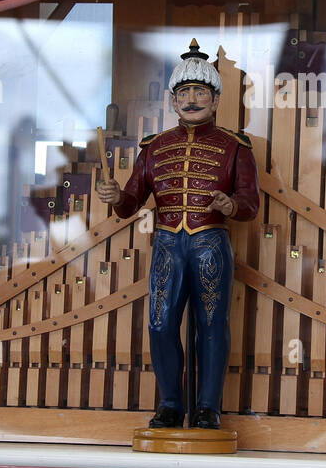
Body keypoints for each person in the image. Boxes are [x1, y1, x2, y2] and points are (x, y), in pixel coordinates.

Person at [96, 39, 259, 430]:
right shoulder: (153, 147)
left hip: (210, 244)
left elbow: (250, 204)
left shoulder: (235, 147)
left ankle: (208, 407)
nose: (191, 100)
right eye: (183, 93)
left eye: (200, 92)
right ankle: (170, 403)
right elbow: (132, 201)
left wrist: (230, 206)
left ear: (215, 100)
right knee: (160, 323)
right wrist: (118, 195)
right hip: (168, 244)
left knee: (211, 324)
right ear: (172, 102)